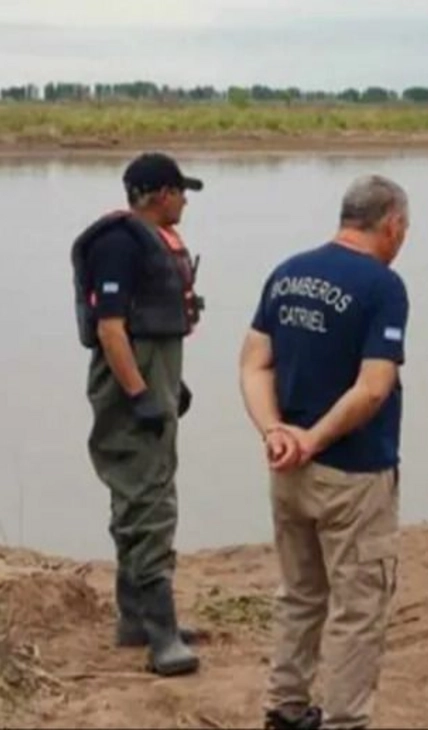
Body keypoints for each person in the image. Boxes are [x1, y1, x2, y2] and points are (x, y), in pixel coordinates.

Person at [238, 175, 410, 730]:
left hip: (288, 467)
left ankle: (284, 710)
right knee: (359, 609)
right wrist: (311, 438)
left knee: (299, 594)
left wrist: (275, 432)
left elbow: (252, 363)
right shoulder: (383, 286)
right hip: (353, 474)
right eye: (404, 229)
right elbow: (374, 386)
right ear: (392, 224)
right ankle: (344, 720)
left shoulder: (288, 273)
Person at [70, 151, 207, 677]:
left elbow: (148, 331)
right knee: (149, 499)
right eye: (179, 190)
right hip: (130, 385)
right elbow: (110, 329)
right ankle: (162, 637)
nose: (185, 200)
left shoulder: (142, 242)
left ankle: (136, 618)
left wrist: (171, 385)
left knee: (141, 491)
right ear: (158, 193)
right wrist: (139, 394)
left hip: (151, 374)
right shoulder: (118, 244)